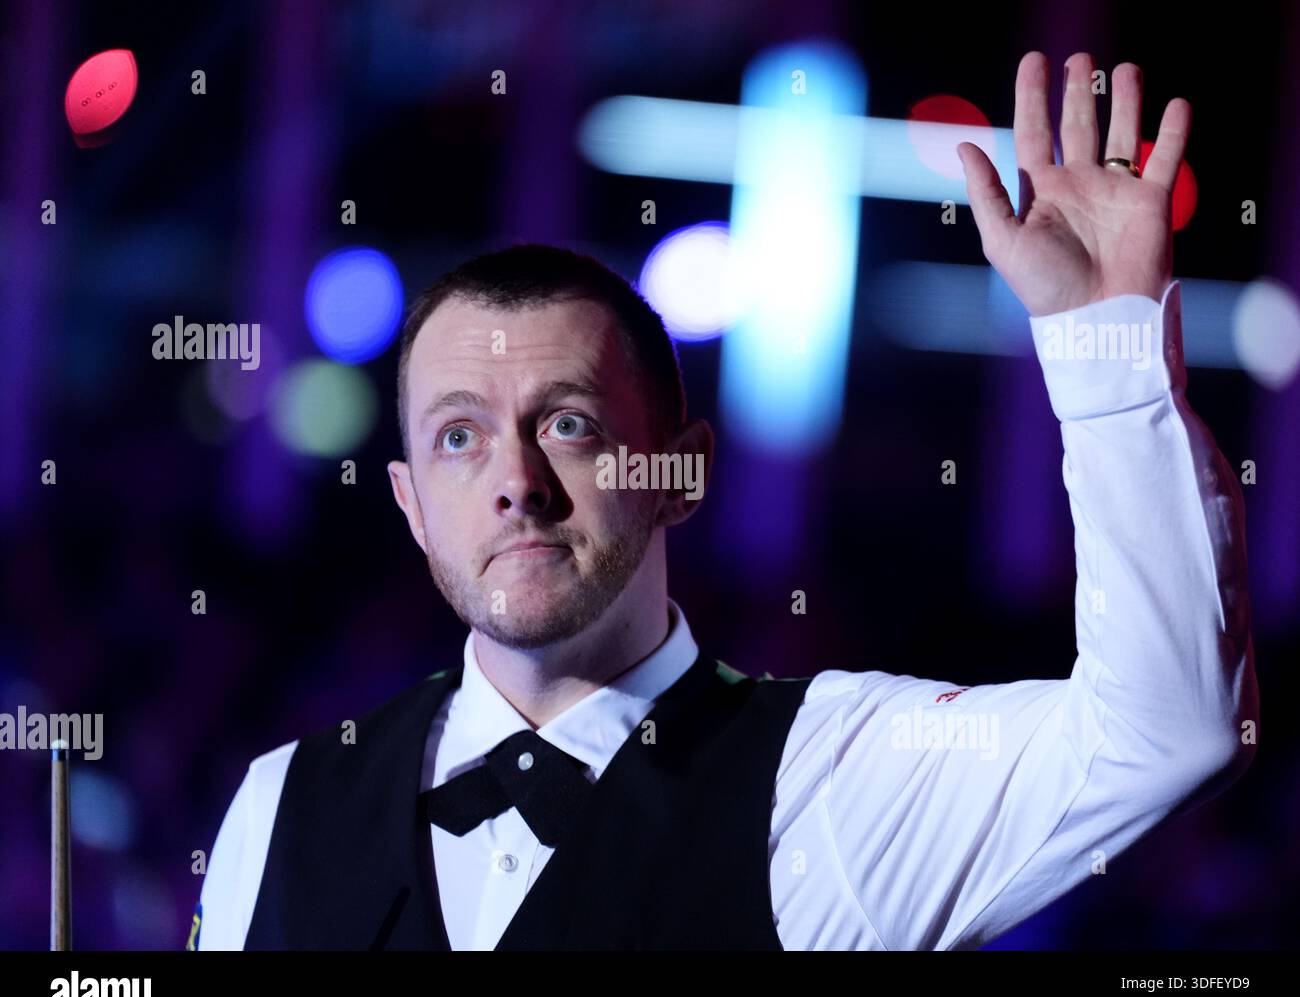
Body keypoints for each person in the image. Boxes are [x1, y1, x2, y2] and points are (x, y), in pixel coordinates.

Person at [189, 51, 1257, 951]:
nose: (516, 481)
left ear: (680, 474)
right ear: (411, 504)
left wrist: (1100, 339)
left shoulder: (834, 772)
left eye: (568, 423)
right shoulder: (281, 800)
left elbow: (1166, 736)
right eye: (459, 438)